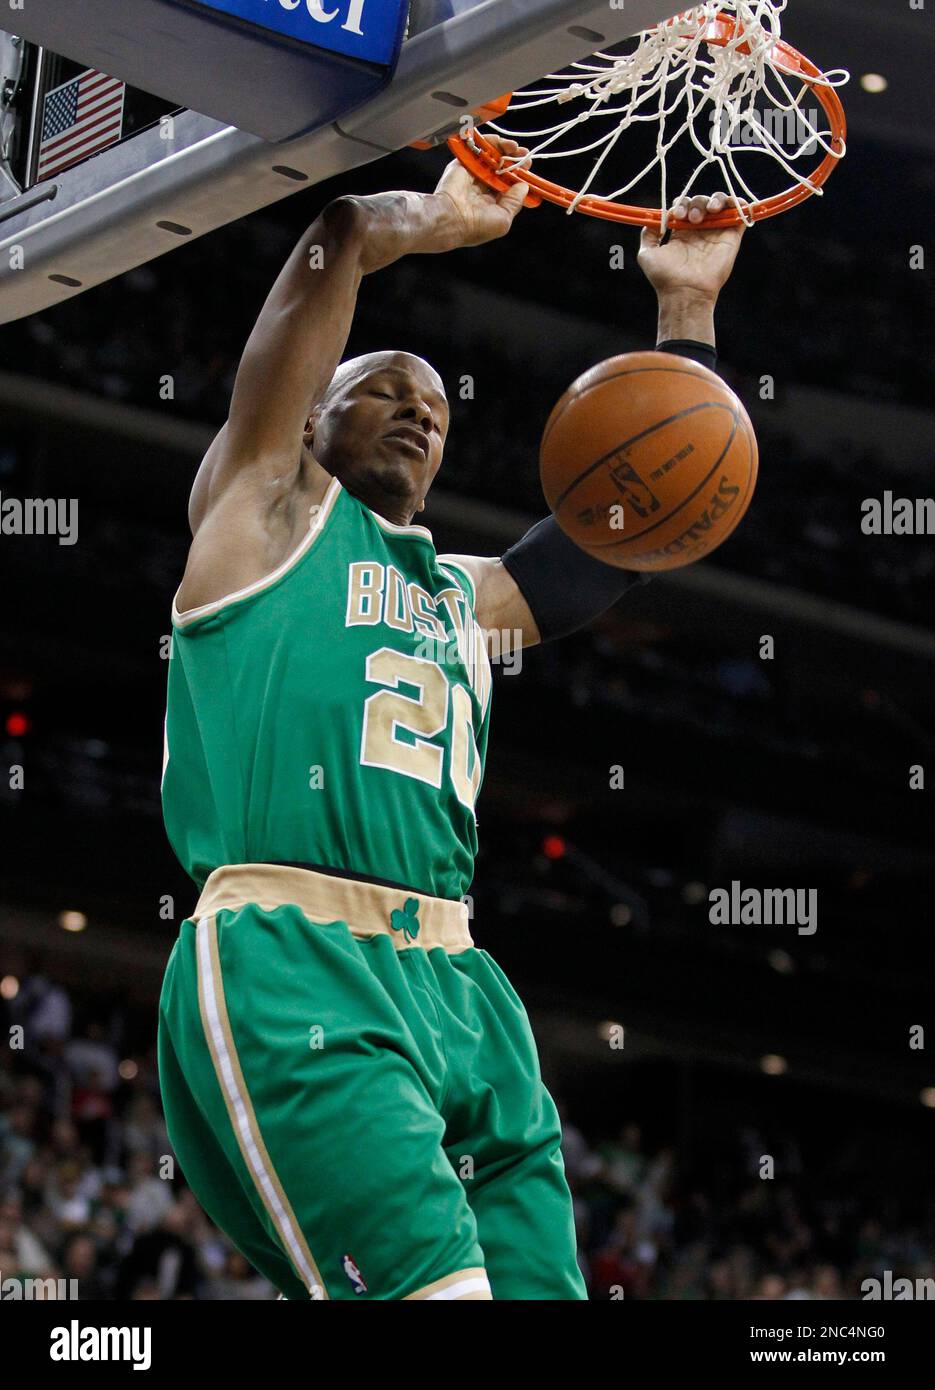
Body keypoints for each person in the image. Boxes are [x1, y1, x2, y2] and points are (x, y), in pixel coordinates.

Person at [157, 137, 745, 1300]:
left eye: (431, 404)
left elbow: (625, 532)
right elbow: (327, 246)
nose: (415, 410)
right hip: (297, 958)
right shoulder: (258, 517)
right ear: (310, 409)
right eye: (379, 385)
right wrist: (410, 222)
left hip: (458, 981)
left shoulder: (461, 595)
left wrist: (683, 312)